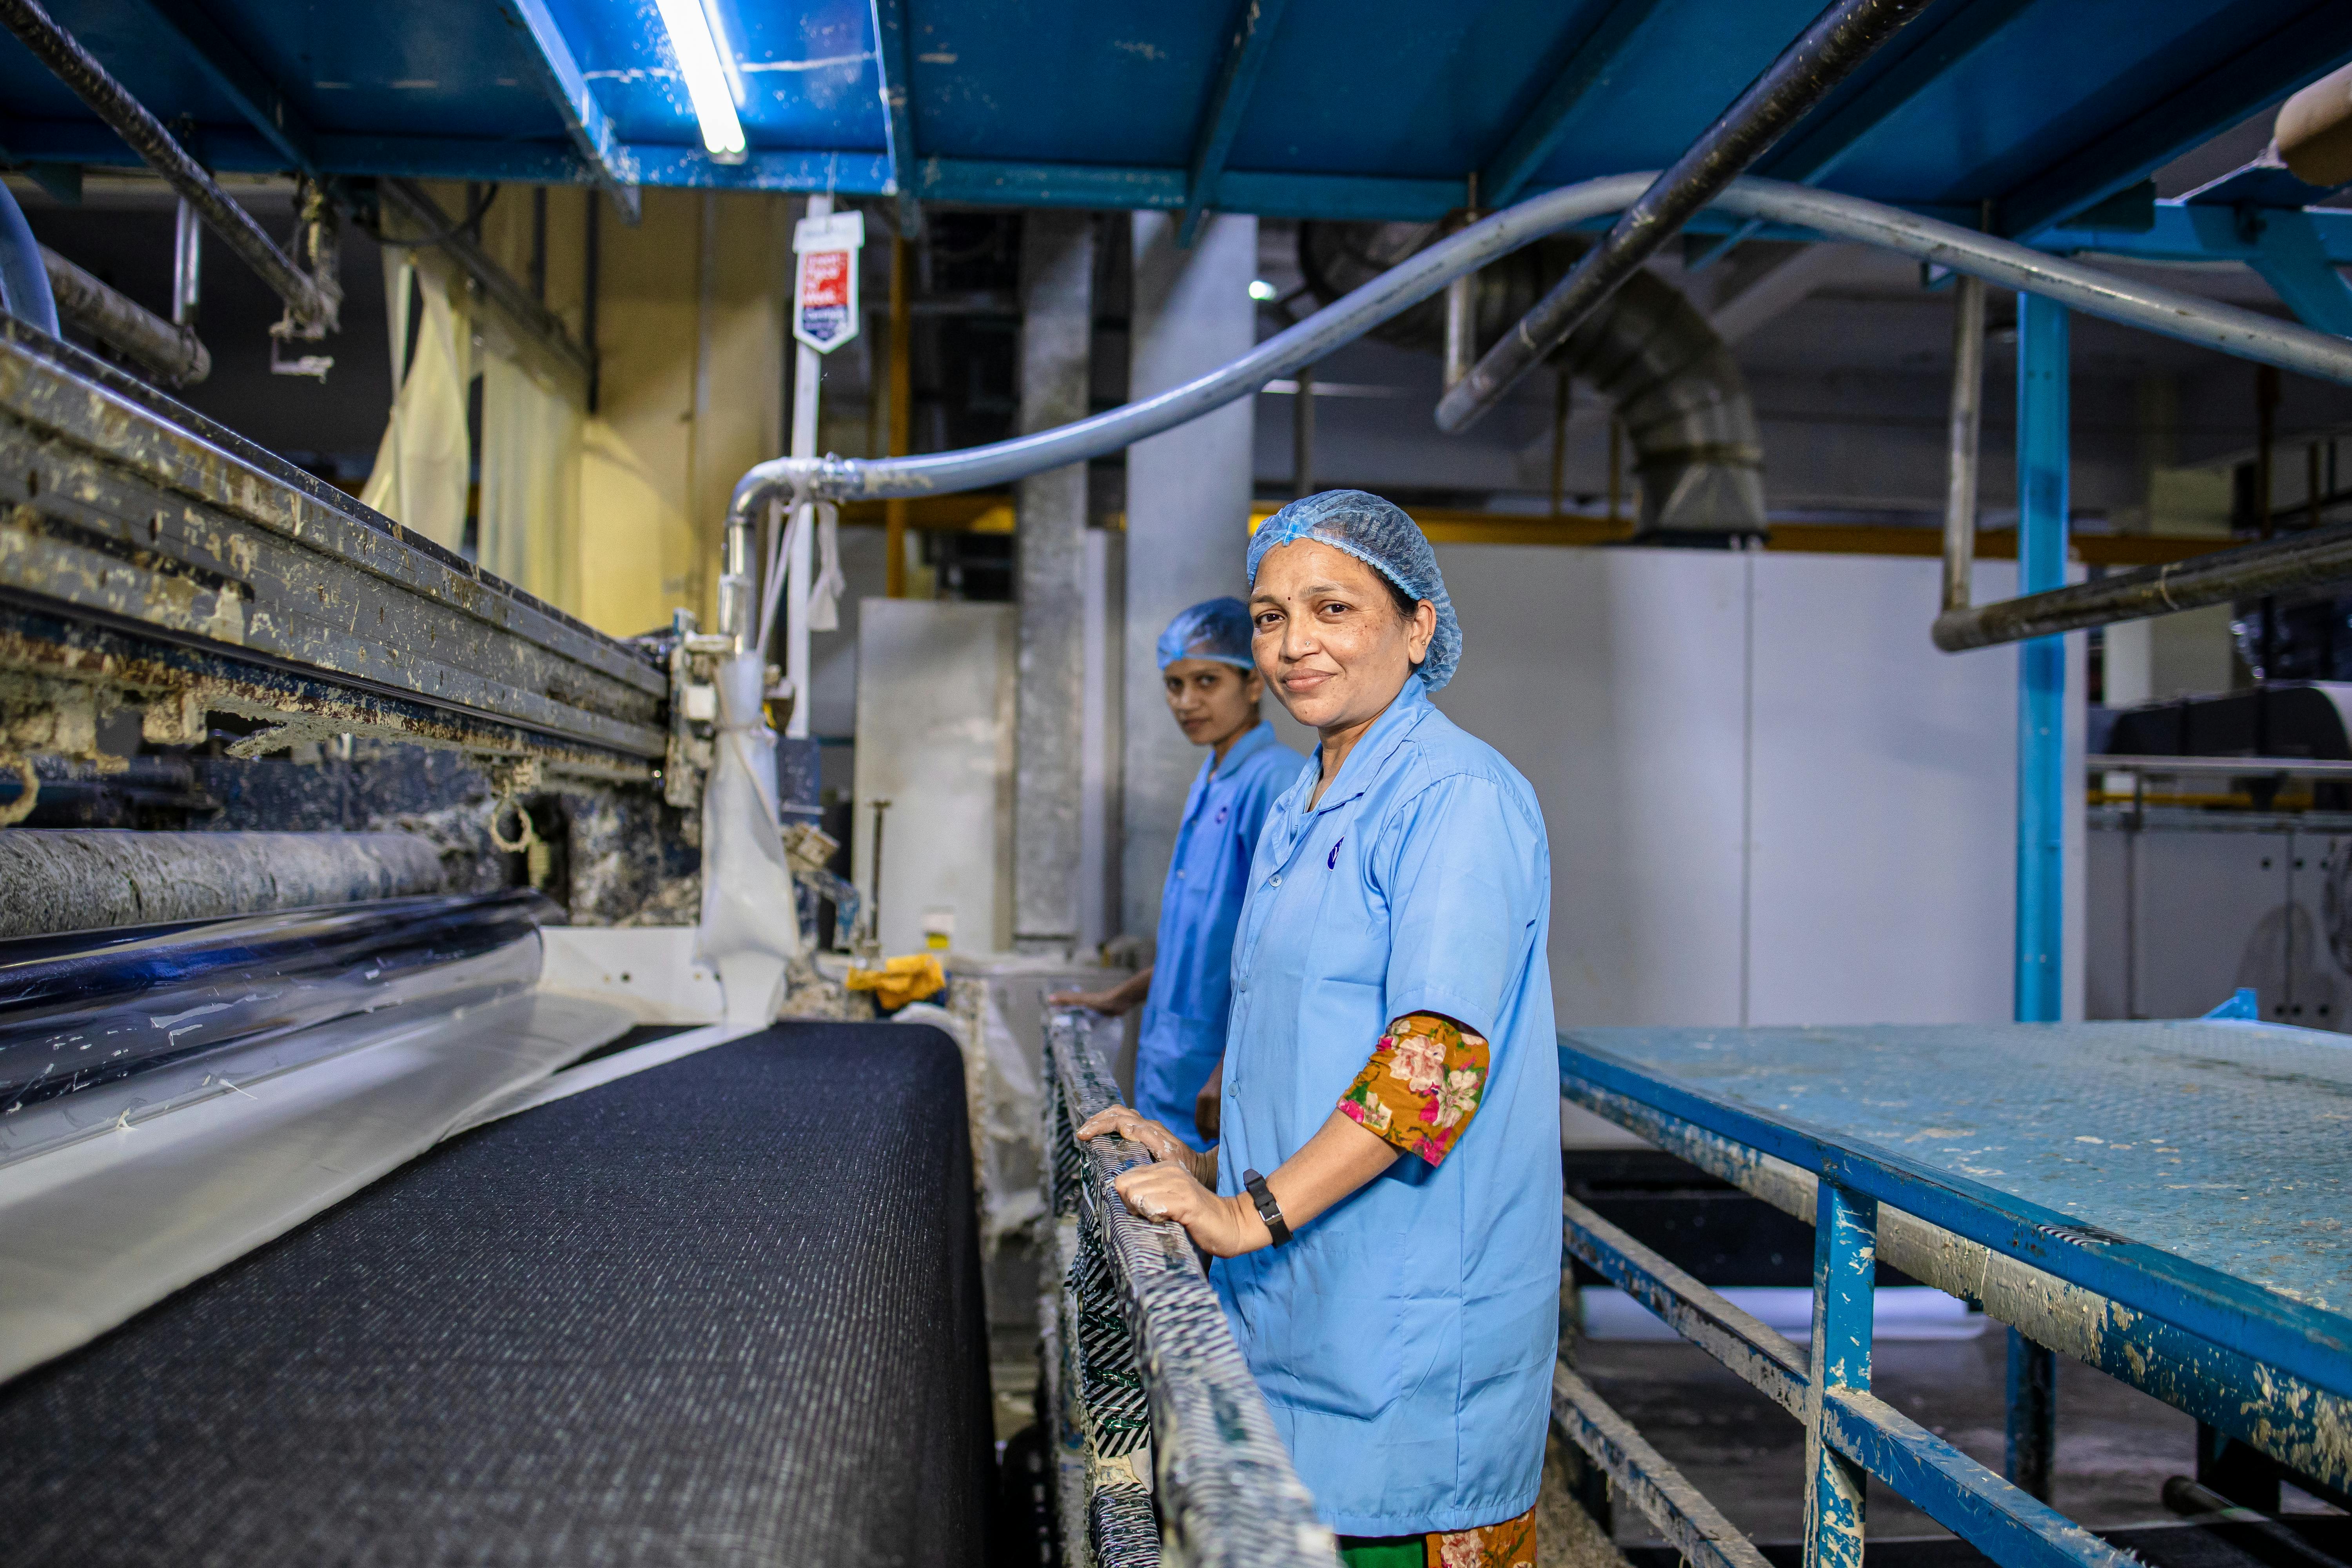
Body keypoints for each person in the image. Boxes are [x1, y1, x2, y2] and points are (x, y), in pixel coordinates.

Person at [1076, 491, 1558, 1568]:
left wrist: (1246, 1212)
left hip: (1405, 1349)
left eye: (1332, 610)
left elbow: (1431, 1073)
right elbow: (1304, 1040)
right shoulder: (1301, 799)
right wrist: (1204, 1161)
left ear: (1418, 626)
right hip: (1295, 1320)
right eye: (1269, 617)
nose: (1295, 647)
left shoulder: (1456, 798)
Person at [1049, 597, 1303, 1149]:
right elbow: (1206, 938)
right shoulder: (1211, 779)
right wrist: (1124, 996)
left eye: (1207, 681)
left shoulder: (1276, 782)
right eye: (1174, 684)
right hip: (1173, 1066)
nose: (1187, 702)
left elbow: (1282, 946)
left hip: (1216, 1083)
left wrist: (1230, 1067)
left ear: (1255, 683)